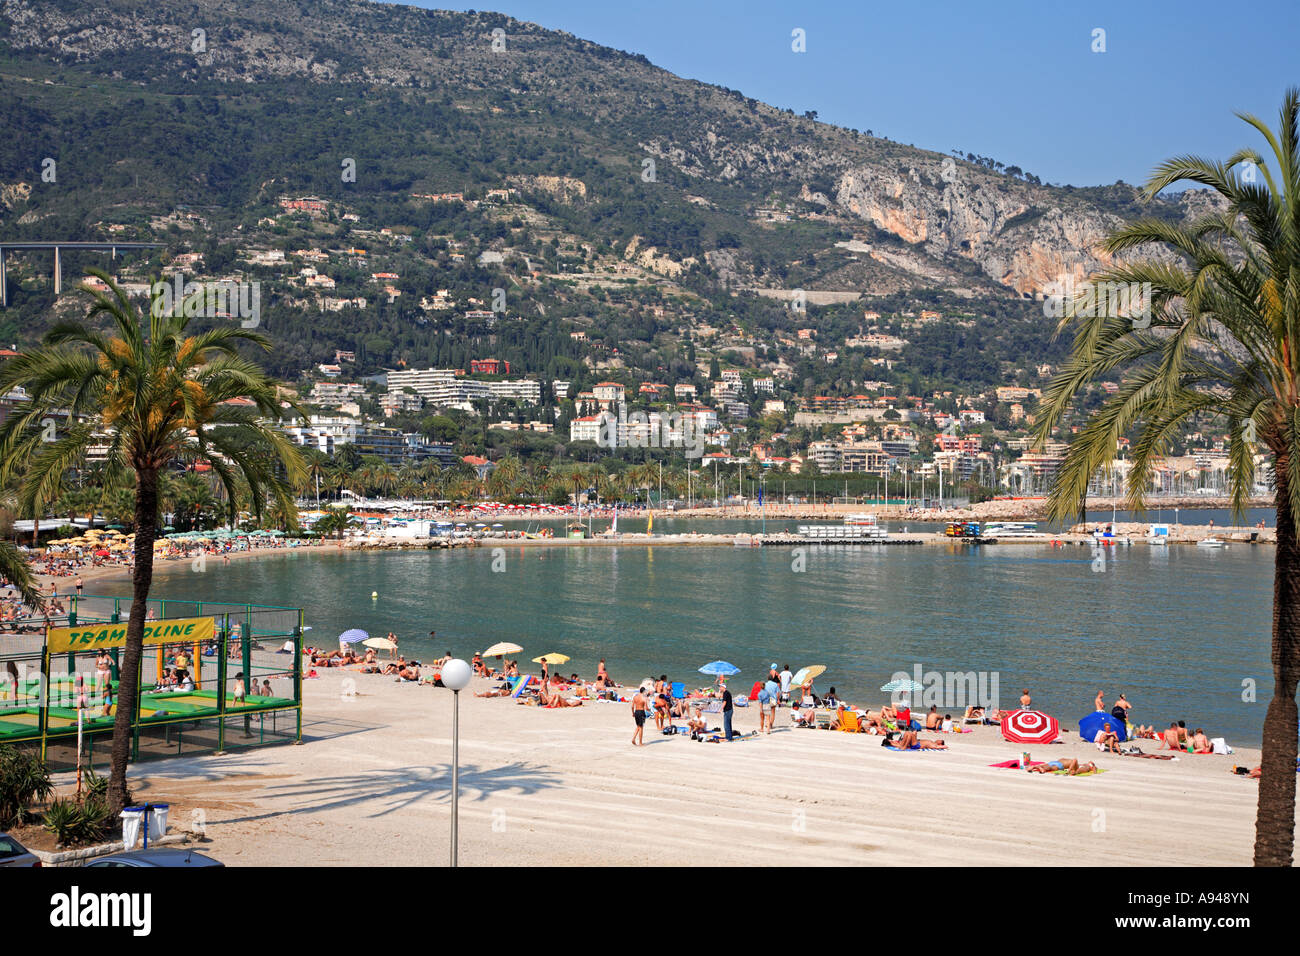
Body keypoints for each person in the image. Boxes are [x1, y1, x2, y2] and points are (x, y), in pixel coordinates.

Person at [1028, 758, 1098, 775]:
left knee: (1047, 765)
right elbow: (1075, 760)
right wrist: (1068, 771)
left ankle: (1036, 767)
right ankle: (1039, 768)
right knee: (1051, 767)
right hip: (1060, 764)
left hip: (1058, 761)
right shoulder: (1086, 767)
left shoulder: (1083, 766)